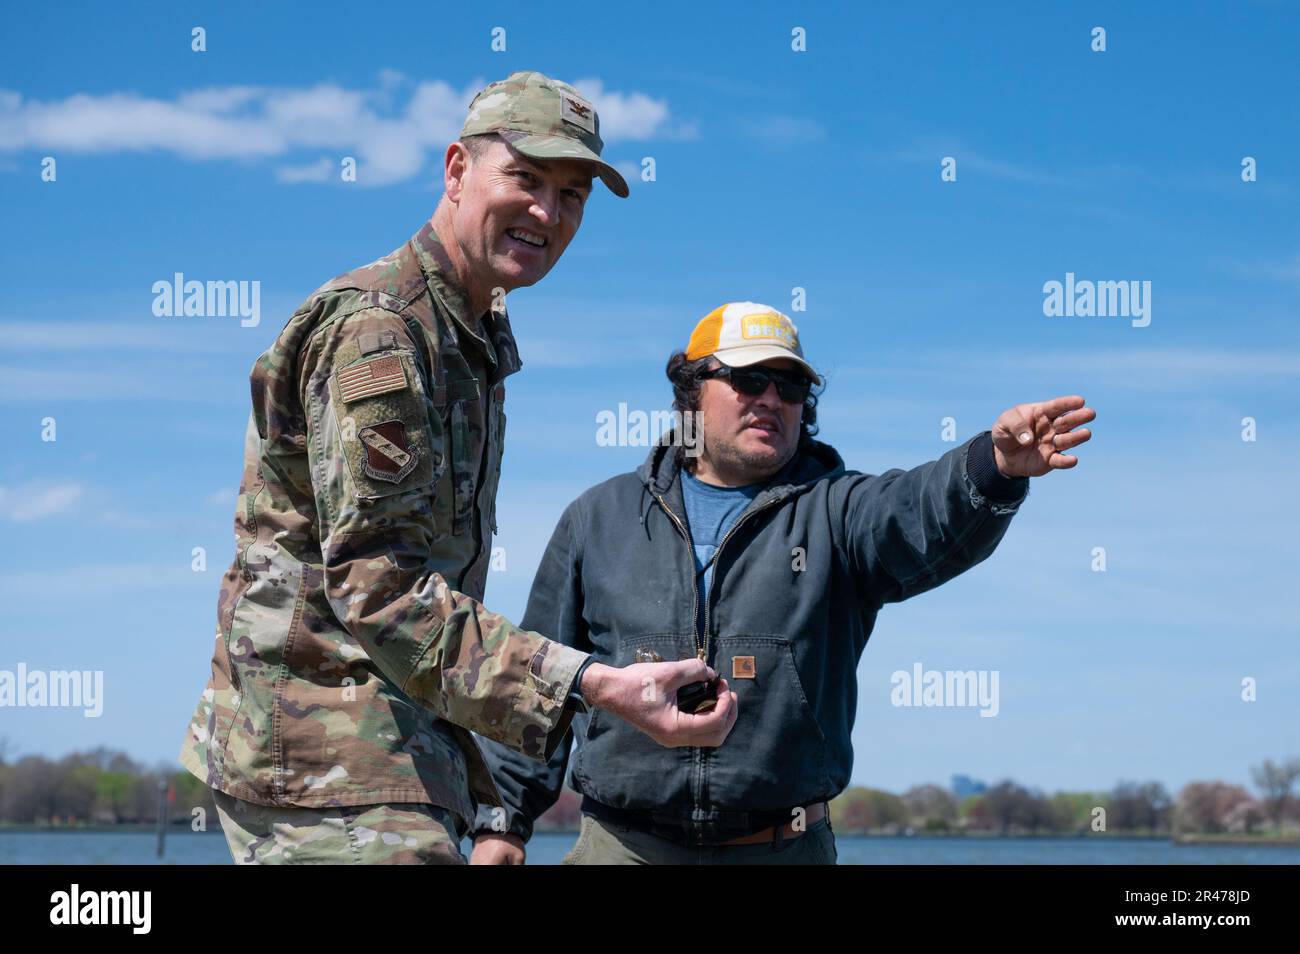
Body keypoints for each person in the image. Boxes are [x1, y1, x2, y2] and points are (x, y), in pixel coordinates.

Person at [177, 72, 737, 865]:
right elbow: (381, 589)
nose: (548, 211)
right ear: (455, 171)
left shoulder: (471, 336)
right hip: (323, 751)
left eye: (572, 194)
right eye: (527, 178)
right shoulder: (381, 333)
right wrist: (592, 684)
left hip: (398, 741)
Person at [470, 300, 1095, 864]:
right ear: (693, 392)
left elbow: (918, 510)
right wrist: (503, 822)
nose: (771, 398)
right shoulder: (596, 518)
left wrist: (994, 466)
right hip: (623, 846)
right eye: (747, 379)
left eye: (790, 384)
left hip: (786, 849)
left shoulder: (840, 512)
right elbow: (538, 683)